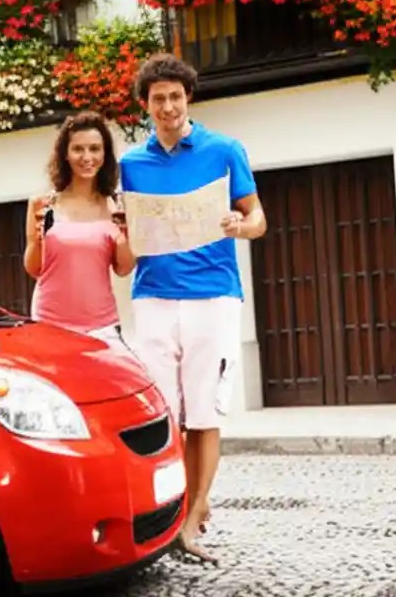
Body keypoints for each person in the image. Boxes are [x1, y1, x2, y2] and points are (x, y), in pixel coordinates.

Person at [119, 53, 267, 565]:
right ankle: (172, 509)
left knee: (204, 412)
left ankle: (194, 515)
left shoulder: (225, 149)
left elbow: (259, 220)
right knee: (165, 412)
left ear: (188, 99)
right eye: (158, 98)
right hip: (154, 295)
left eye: (175, 97)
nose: (168, 106)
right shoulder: (131, 165)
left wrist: (238, 225)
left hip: (213, 294)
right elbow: (127, 233)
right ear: (145, 105)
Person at [23, 111, 137, 351]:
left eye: (95, 149)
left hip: (103, 326)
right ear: (65, 154)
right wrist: (38, 238)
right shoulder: (43, 204)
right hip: (50, 324)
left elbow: (124, 268)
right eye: (78, 149)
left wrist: (126, 233)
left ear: (105, 154)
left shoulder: (115, 205)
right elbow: (34, 268)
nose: (87, 157)